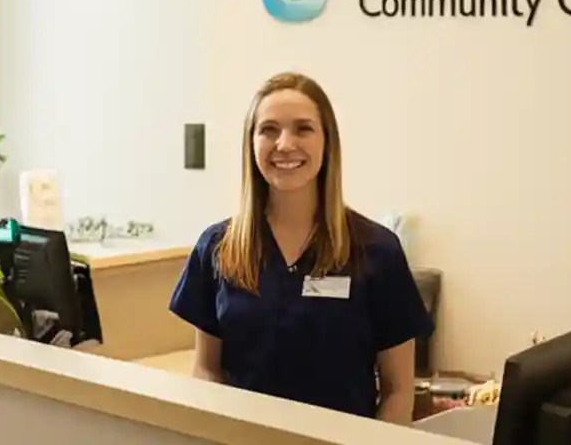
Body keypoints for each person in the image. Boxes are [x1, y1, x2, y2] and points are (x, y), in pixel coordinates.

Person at [168, 72, 432, 423]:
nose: (285, 144)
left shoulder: (376, 250)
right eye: (269, 129)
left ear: (327, 142)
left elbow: (399, 390)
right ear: (251, 143)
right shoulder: (217, 248)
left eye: (303, 128)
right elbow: (207, 371)